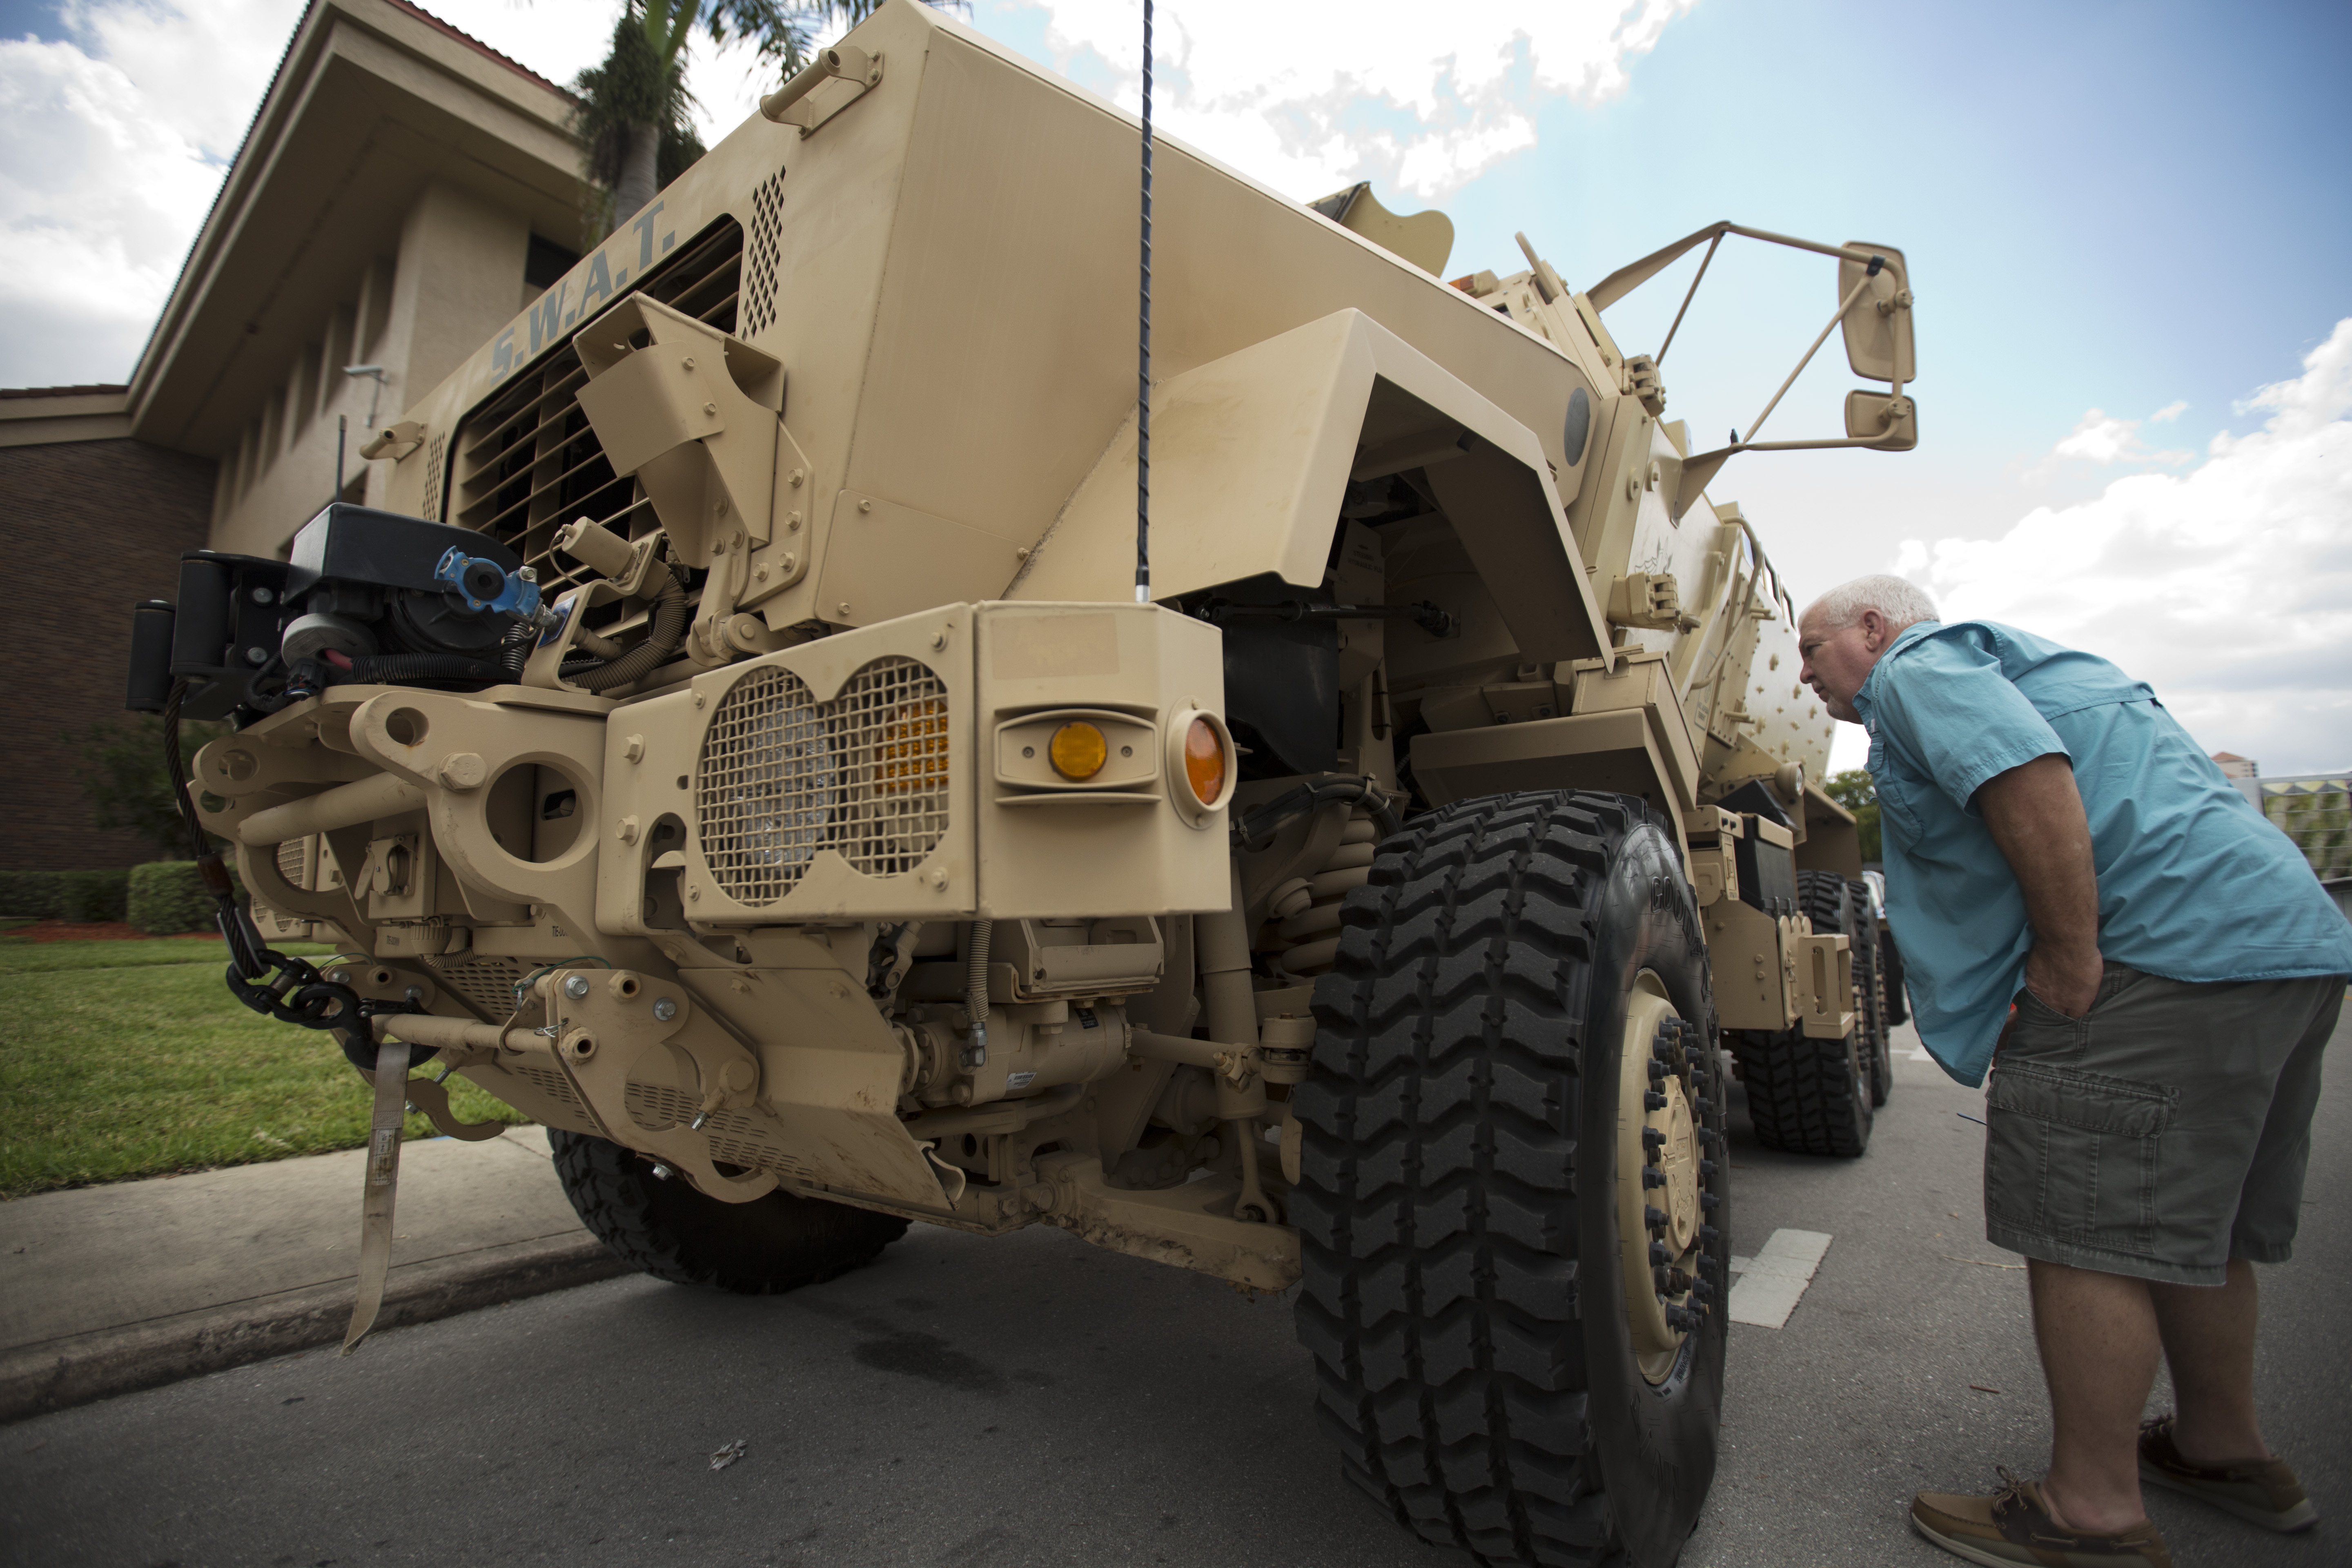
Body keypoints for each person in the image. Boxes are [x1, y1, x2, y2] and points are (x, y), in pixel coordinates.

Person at [1795, 575, 2350, 1568]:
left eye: (1811, 649)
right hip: (2285, 946)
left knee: (2088, 1229)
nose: (1802, 676)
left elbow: (2027, 775)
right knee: (2200, 1224)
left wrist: (2067, 952)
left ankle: (2090, 1511)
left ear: (1874, 631)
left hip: (2164, 959)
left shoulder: (1920, 668)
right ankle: (2222, 1450)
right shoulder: (2035, 663)